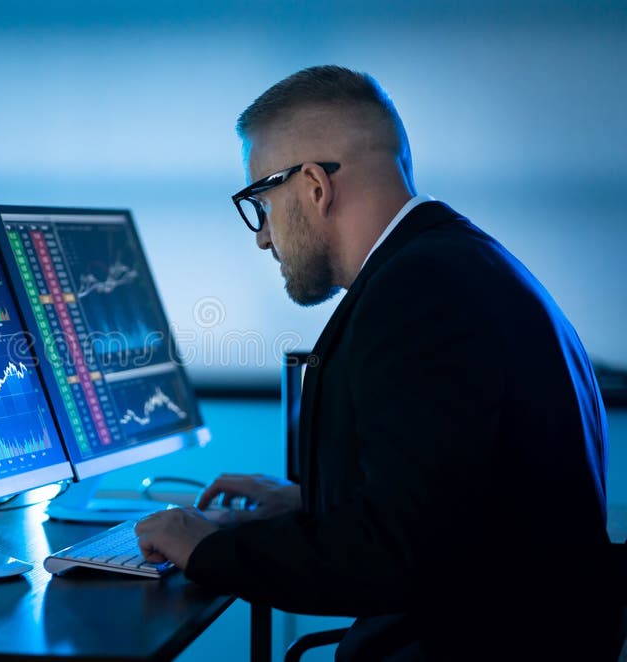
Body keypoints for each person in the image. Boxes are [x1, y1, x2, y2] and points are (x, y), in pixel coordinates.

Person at [134, 65, 621, 659]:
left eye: (260, 202)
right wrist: (312, 504)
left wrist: (206, 549)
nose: (261, 238)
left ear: (314, 186)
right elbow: (454, 503)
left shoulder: (420, 293)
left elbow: (398, 551)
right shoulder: (464, 264)